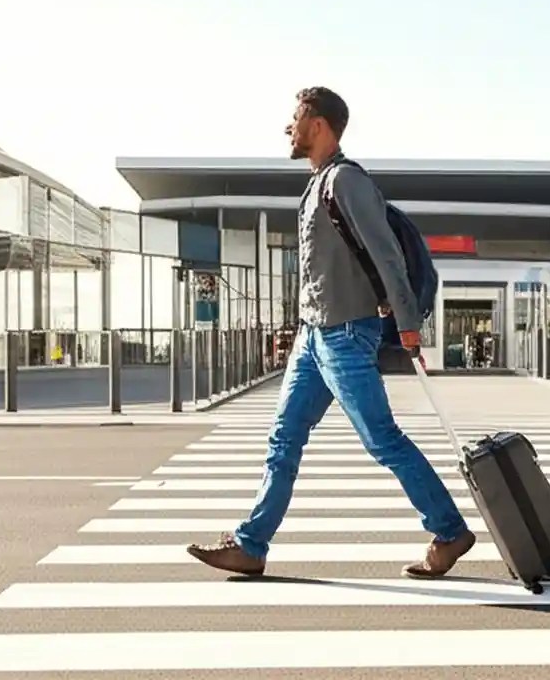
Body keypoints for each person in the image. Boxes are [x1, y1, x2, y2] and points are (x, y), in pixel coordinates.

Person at [185, 86, 476, 579]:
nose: (288, 128)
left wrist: (407, 324)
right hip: (313, 335)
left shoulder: (345, 181)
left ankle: (449, 531)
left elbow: (385, 253)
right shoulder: (318, 181)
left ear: (318, 125)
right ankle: (251, 544)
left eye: (295, 119)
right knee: (284, 437)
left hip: (345, 334)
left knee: (382, 439)